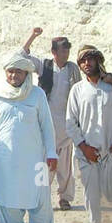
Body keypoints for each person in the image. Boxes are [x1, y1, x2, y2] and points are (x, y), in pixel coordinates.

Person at [0, 53, 57, 223]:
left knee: (41, 200)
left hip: (36, 160)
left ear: (26, 73)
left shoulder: (37, 94)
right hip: (4, 160)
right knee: (7, 200)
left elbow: (47, 126)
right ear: (5, 72)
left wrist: (51, 153)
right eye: (10, 71)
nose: (14, 75)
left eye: (18, 71)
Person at [66, 45, 112, 223]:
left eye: (90, 59)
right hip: (87, 153)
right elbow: (71, 123)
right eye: (83, 61)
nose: (87, 64)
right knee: (92, 193)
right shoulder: (77, 90)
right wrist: (84, 147)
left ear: (98, 61)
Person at [22, 28, 79, 210]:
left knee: (65, 164)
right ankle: (41, 195)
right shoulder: (44, 66)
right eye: (62, 50)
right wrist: (33, 36)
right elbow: (22, 56)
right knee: (43, 161)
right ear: (54, 52)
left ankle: (65, 197)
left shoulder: (72, 69)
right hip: (46, 123)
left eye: (67, 49)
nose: (65, 53)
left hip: (66, 123)